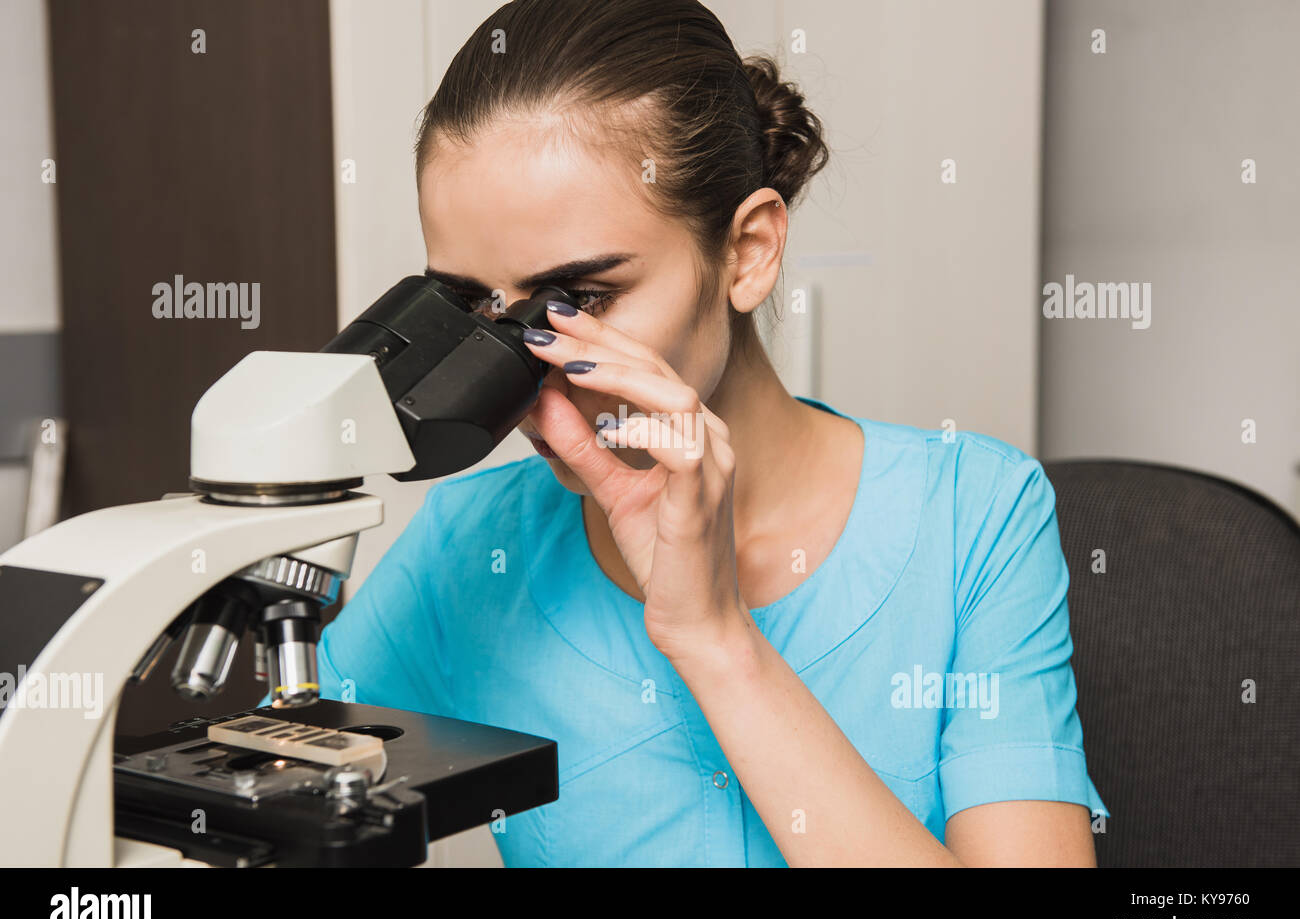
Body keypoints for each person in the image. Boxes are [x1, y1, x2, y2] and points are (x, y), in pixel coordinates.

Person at [316, 0, 1108, 866]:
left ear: (748, 250)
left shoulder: (974, 517)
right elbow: (280, 794)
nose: (522, 373)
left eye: (575, 302)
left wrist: (715, 638)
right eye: (472, 311)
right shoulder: (472, 545)